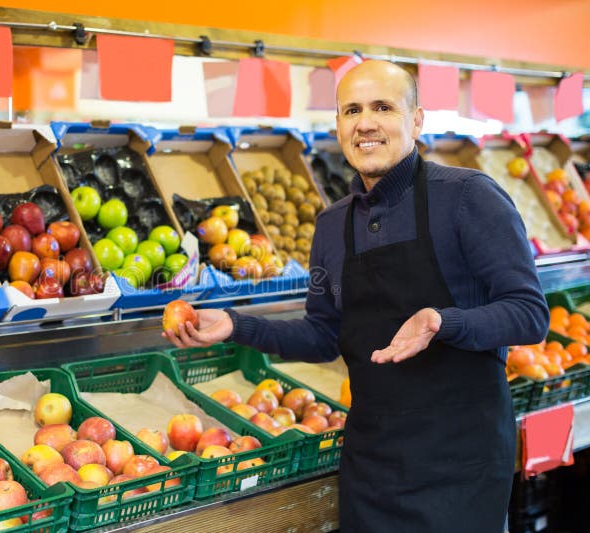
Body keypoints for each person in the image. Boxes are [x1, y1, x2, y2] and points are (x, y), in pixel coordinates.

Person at [165, 60, 549, 533]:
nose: (365, 123)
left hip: (461, 462)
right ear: (339, 126)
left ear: (416, 120)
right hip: (375, 464)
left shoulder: (469, 197)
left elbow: (529, 314)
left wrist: (443, 322)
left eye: (383, 107)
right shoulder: (332, 225)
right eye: (351, 110)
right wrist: (237, 326)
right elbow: (325, 333)